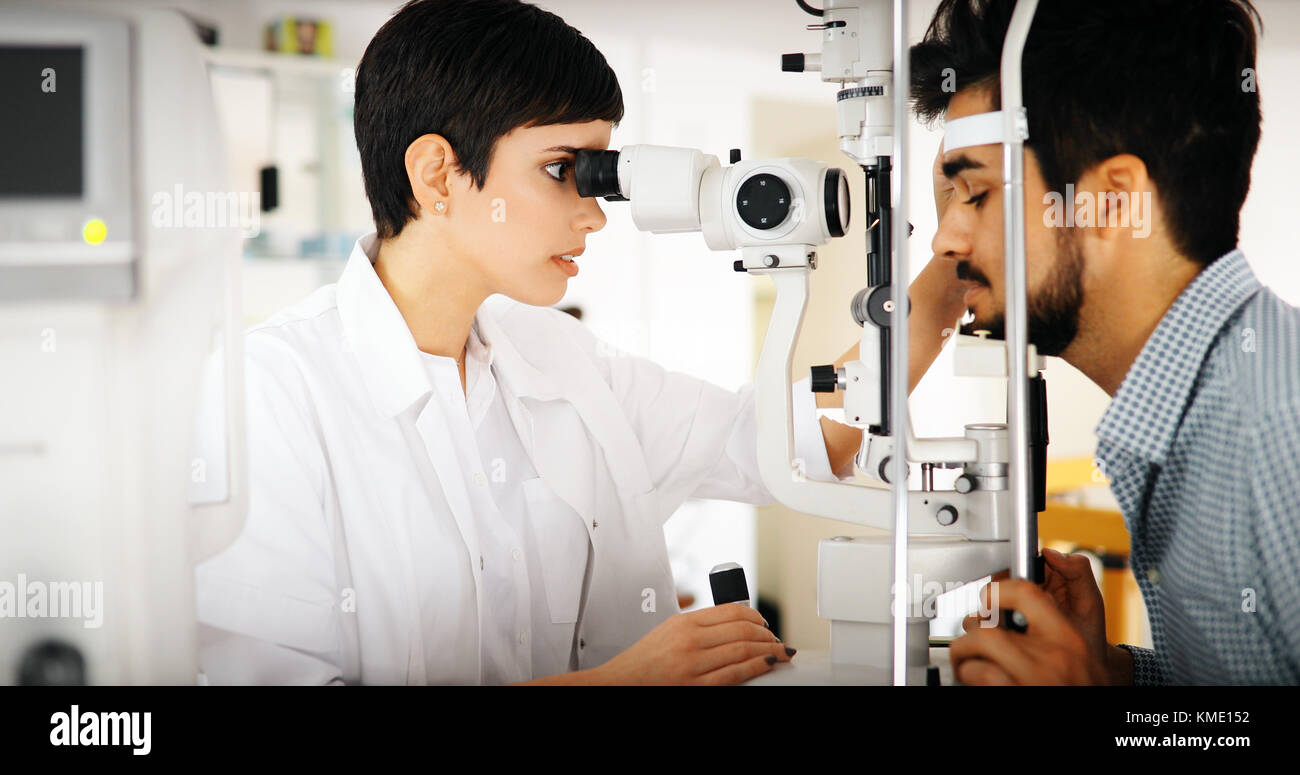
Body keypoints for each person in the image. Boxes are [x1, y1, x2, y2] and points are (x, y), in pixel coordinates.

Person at [192, 0, 969, 685]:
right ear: (437, 174)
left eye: (597, 176)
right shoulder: (270, 394)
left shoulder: (558, 357)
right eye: (561, 168)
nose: (594, 215)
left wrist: (960, 257)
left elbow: (786, 444)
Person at [910, 0, 1299, 685]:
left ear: (1115, 199)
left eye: (975, 191)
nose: (945, 240)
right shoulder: (1197, 413)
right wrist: (1112, 674)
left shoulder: (1279, 430)